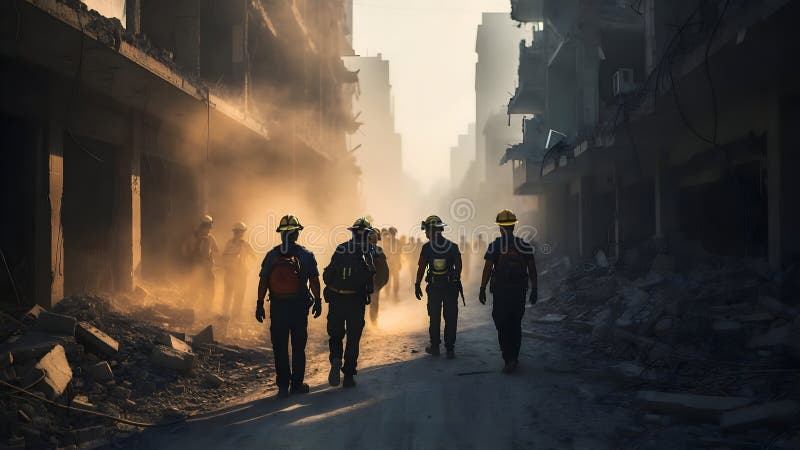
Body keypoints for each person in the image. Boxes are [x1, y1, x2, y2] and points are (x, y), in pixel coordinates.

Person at [255, 214, 322, 398]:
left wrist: (260, 303)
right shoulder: (306, 255)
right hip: (299, 308)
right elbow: (315, 281)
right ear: (296, 234)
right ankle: (297, 384)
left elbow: (263, 282)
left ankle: (283, 386)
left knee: (280, 346)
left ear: (281, 234)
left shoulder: (271, 255)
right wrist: (318, 300)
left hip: (278, 307)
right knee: (298, 346)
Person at [478, 209, 538, 374]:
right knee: (516, 324)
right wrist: (535, 288)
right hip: (519, 291)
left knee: (502, 325)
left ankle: (508, 358)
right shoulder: (524, 245)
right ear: (513, 226)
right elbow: (532, 268)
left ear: (500, 227)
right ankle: (514, 358)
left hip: (501, 293)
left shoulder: (495, 245)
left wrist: (482, 288)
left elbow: (488, 268)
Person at [323, 217, 376, 388]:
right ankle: (348, 376)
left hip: (337, 300)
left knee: (336, 336)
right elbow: (371, 277)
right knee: (353, 339)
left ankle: (336, 358)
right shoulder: (368, 251)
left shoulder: (340, 248)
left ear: (352, 232)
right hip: (355, 301)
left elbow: (327, 275)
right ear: (367, 233)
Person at [414, 215, 462, 359]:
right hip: (450, 288)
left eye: (426, 231)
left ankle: (435, 347)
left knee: (434, 318)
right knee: (451, 318)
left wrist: (417, 284)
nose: (426, 234)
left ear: (431, 231)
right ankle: (450, 349)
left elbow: (421, 268)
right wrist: (454, 278)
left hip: (434, 288)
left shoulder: (427, 248)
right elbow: (459, 266)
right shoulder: (452, 246)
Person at [182, 215, 219, 314]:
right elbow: (216, 251)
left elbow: (184, 251)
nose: (210, 229)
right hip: (204, 269)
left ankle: (191, 310)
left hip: (196, 268)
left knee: (196, 290)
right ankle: (203, 311)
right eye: (209, 226)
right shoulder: (209, 238)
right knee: (208, 290)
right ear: (208, 226)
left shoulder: (193, 237)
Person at [222, 222, 256, 321]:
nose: (238, 234)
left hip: (241, 273)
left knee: (239, 294)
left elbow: (254, 257)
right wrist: (227, 264)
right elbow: (223, 255)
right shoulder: (229, 243)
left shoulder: (246, 244)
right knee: (228, 293)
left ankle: (235, 315)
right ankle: (225, 314)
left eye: (240, 232)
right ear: (234, 232)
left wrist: (248, 266)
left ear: (243, 232)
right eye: (237, 231)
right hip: (230, 272)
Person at [368, 228, 389, 325]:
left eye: (375, 236)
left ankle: (373, 322)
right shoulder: (360, 249)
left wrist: (381, 283)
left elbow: (384, 269)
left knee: (374, 302)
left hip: (374, 282)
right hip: (366, 282)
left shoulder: (379, 250)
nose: (374, 238)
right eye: (373, 236)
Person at [385, 227, 402, 300]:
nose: (393, 235)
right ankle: (388, 295)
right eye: (392, 233)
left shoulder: (398, 242)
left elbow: (399, 254)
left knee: (395, 280)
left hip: (394, 264)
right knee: (388, 280)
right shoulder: (386, 242)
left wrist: (399, 263)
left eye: (393, 233)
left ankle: (395, 295)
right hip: (389, 263)